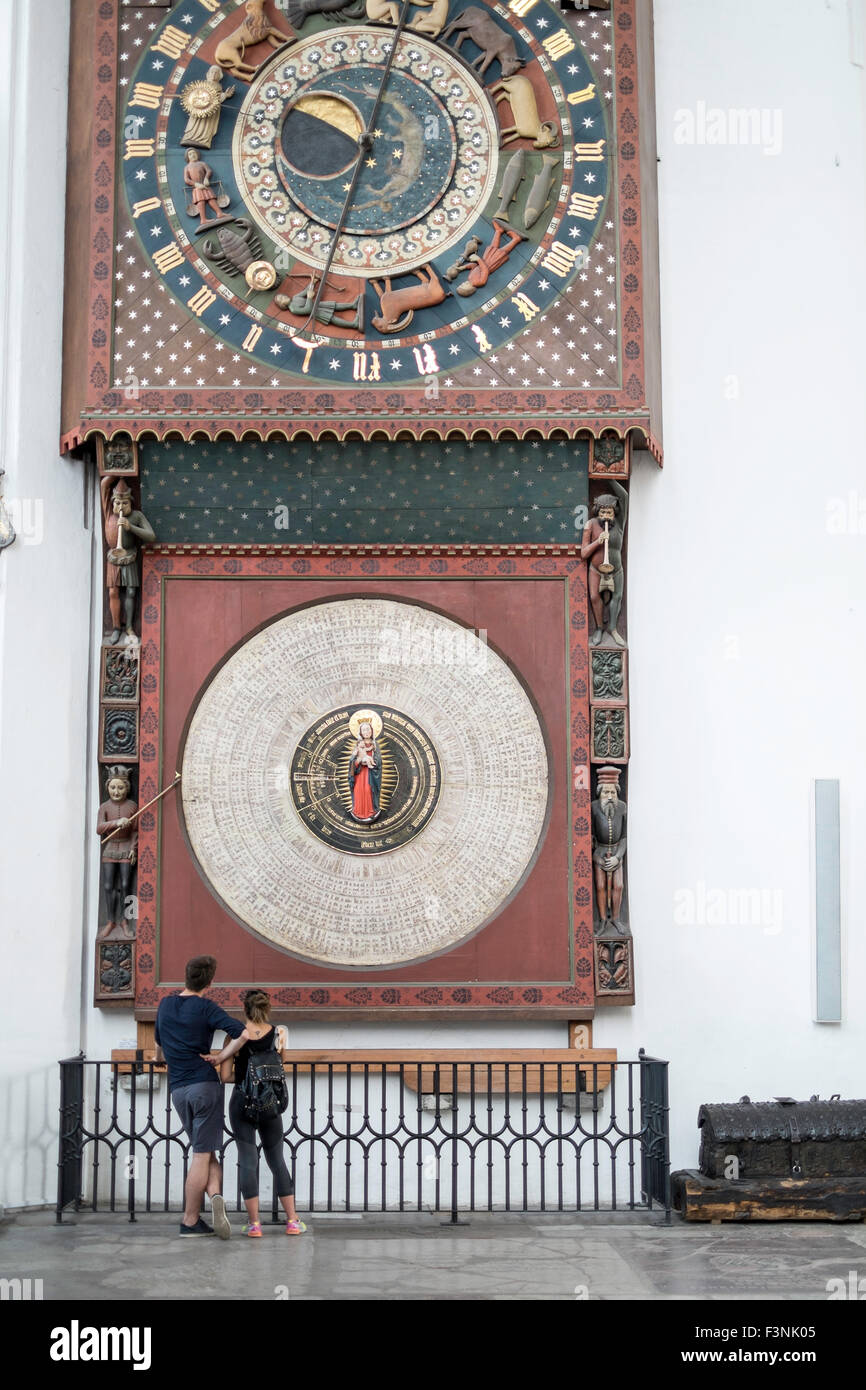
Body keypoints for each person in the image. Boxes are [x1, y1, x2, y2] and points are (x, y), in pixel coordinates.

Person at [154, 955, 248, 1238]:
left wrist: (162, 1059)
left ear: (186, 976)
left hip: (178, 1089)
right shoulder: (206, 1007)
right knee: (201, 1154)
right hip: (205, 1086)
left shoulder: (166, 1004)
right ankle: (190, 1220)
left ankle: (215, 1195)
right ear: (209, 981)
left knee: (204, 1149)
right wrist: (221, 1057)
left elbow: (159, 1046)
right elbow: (242, 1033)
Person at [210, 989, 305, 1238]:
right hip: (270, 1104)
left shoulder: (233, 1037)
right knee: (277, 1160)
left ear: (245, 1010)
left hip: (242, 1103)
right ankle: (293, 1221)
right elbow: (280, 1065)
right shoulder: (280, 1033)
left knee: (248, 1161)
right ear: (267, 1008)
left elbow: (226, 1076)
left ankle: (254, 1225)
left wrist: (244, 1079)